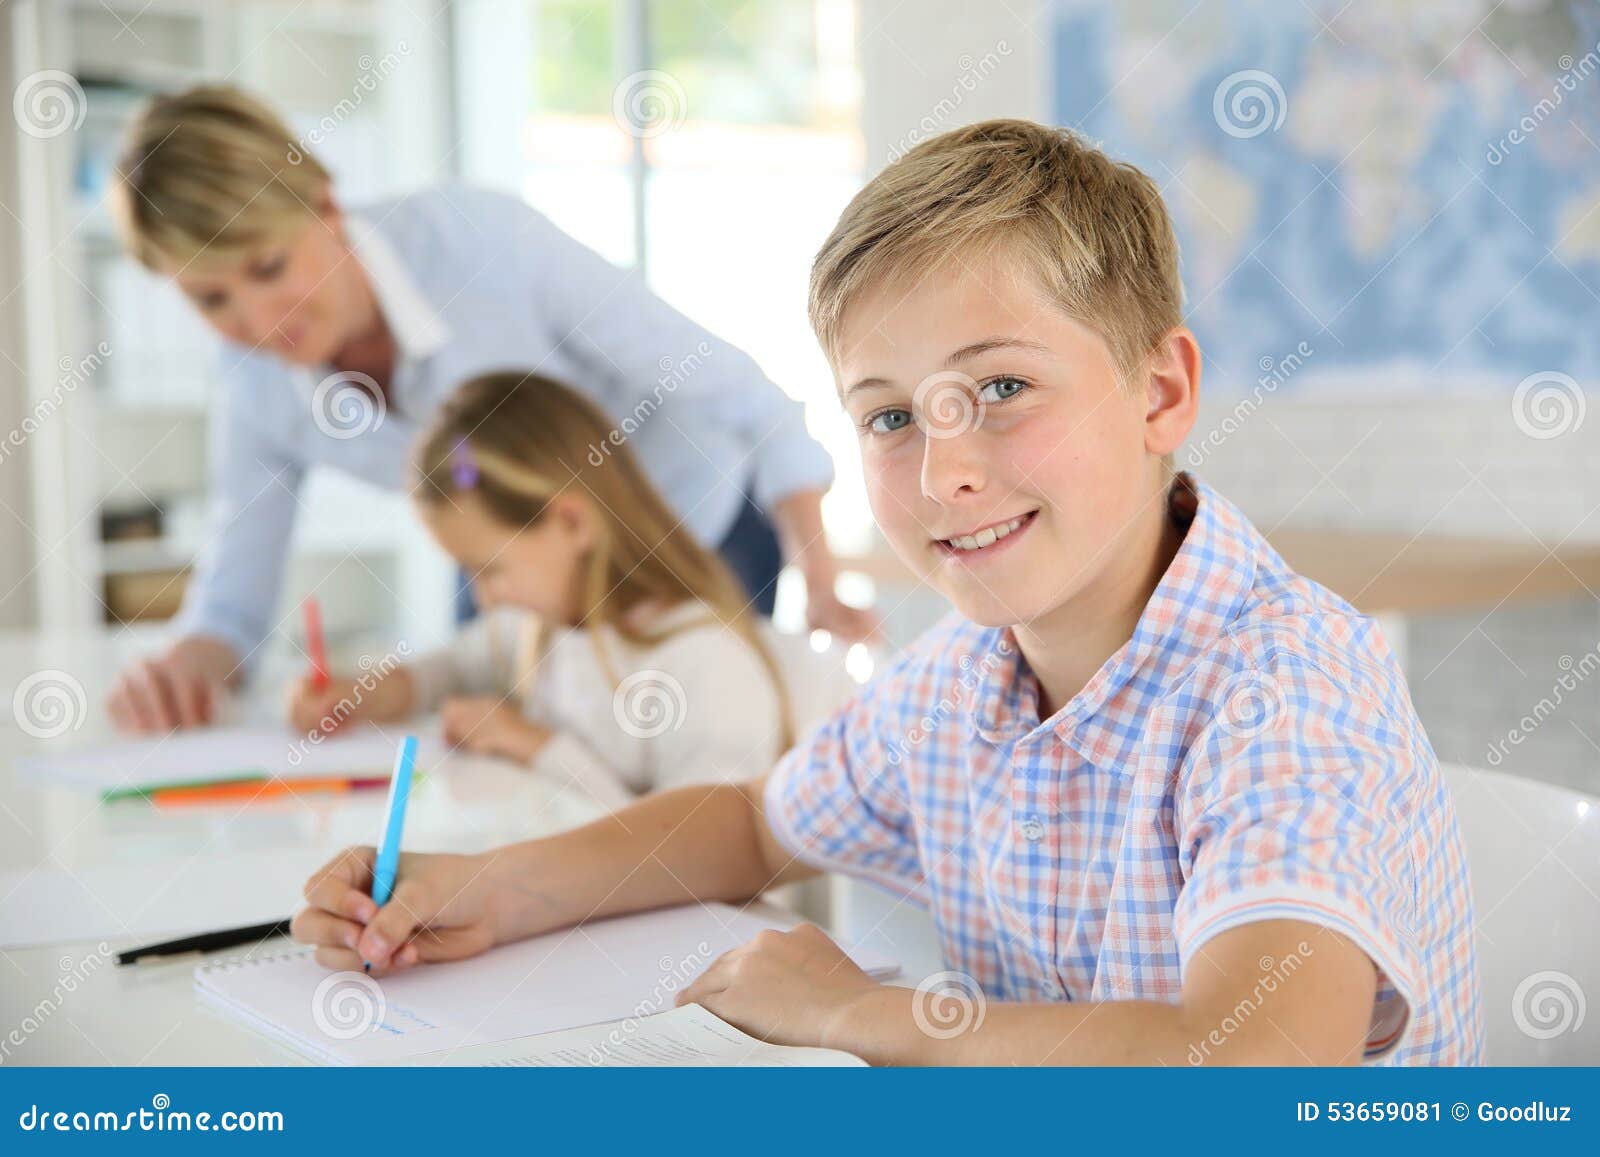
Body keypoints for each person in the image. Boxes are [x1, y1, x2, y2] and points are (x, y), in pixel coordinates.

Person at [291, 120, 1481, 1064]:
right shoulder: (960, 682)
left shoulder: (1282, 681)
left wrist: (860, 1012)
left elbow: (1260, 1065)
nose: (945, 467)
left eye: (1002, 386)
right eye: (891, 416)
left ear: (1161, 390)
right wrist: (488, 888)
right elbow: (751, 822)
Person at [103, 85, 875, 733]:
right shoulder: (251, 377)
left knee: (661, 741)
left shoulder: (485, 244)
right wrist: (193, 661)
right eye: (211, 298)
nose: (259, 320)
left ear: (325, 205)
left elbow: (748, 396)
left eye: (269, 266)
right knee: (488, 740)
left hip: (686, 522)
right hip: (512, 551)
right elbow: (235, 593)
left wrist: (824, 580)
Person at [284, 371, 852, 809]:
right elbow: (451, 669)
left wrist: (538, 749)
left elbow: (697, 858)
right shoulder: (541, 630)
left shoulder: (701, 662)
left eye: (490, 568)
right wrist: (366, 695)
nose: (483, 597)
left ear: (574, 525)